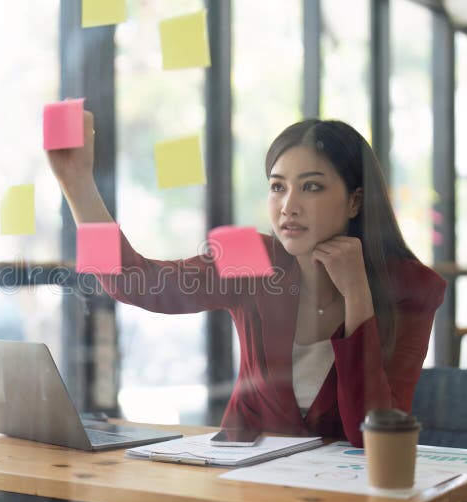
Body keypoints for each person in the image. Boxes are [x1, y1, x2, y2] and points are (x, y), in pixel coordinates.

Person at [46, 110, 446, 447]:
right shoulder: (252, 254)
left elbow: (375, 436)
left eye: (311, 187)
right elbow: (132, 281)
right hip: (243, 490)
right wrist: (76, 183)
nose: (289, 206)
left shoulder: (413, 288)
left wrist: (359, 297)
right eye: (277, 187)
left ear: (355, 200)